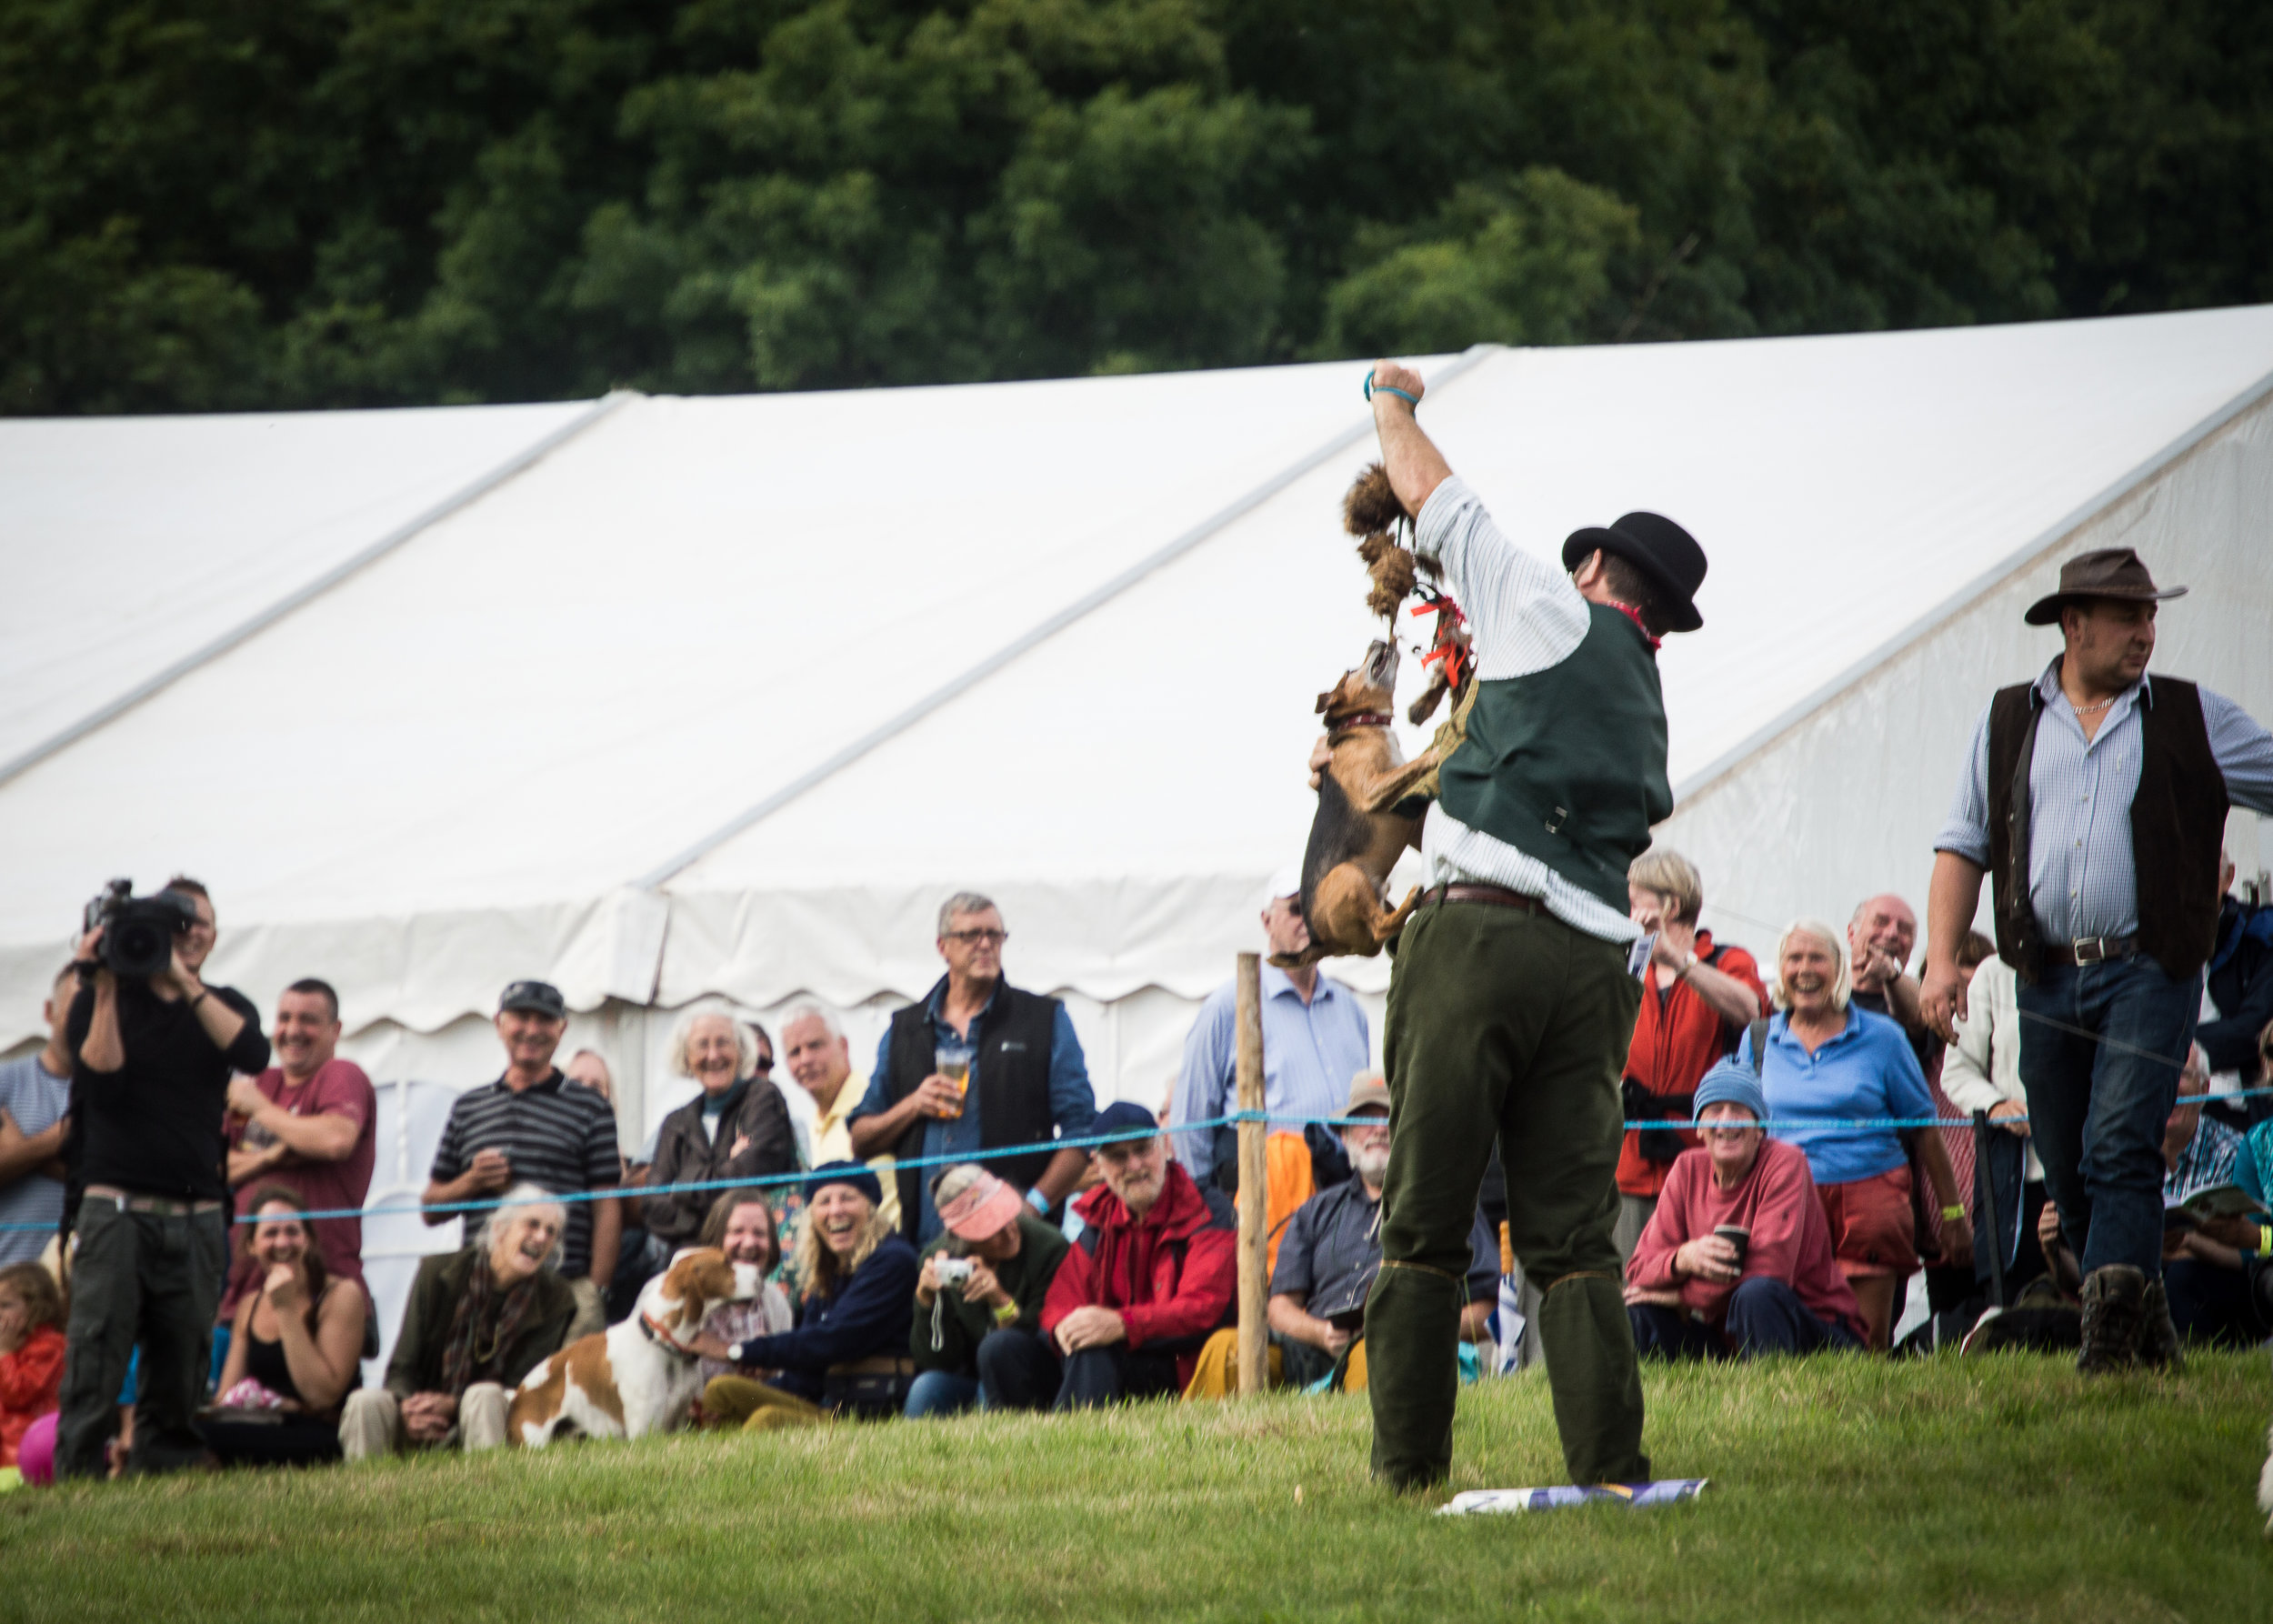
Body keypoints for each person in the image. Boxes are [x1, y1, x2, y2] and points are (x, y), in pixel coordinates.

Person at [1341, 359, 1707, 1489]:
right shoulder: (1646, 701)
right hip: (1594, 966)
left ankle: (1408, 1473)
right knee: (1573, 1242)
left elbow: (1433, 494)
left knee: (1423, 1217)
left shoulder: (1547, 608)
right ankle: (1610, 1466)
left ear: (1596, 569)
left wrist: (1388, 401)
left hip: (1479, 943)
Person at [1920, 546, 2273, 1372]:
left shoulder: (2194, 715)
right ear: (2073, 625)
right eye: (2129, 616)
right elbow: (1962, 841)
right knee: (2067, 1157)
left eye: (2152, 615)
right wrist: (1941, 961)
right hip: (2041, 972)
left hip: (2153, 968)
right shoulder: (2008, 719)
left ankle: (2108, 1352)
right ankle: (2144, 1319)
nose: (2148, 631)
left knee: (2120, 1143)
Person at [56, 876, 270, 1479]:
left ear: (213, 934)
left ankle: (164, 1475)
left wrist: (183, 983)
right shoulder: (104, 998)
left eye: (197, 922)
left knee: (183, 1361)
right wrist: (100, 987)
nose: (189, 932)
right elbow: (100, 1083)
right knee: (97, 1354)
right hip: (116, 1209)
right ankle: (77, 1480)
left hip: (197, 1211)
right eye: (177, 923)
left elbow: (255, 1055)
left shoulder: (223, 1004)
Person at [1188, 1073, 1496, 1398]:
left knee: (1374, 1353)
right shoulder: (1315, 1211)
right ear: (1345, 1134)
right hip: (1313, 1351)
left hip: (1401, 1347)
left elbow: (1487, 1310)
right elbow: (1279, 1307)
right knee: (1226, 1349)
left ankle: (1363, 1447)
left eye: (1389, 1118)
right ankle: (1217, 1446)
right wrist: (1321, 1333)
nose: (1378, 1130)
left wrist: (1410, 1329)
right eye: (1366, 1119)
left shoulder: (1450, 1207)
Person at [1744, 920, 1971, 1350]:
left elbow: (1925, 1131)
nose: (1805, 969)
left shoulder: (1882, 1037)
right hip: (1785, 1203)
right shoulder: (1760, 1039)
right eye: (1794, 958)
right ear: (1780, 968)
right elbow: (1739, 1126)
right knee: (1783, 1334)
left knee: (1865, 1348)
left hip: (1870, 1203)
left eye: (1817, 958)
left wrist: (1953, 1216)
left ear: (1840, 970)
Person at [849, 894, 1097, 1244]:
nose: (985, 945)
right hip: (925, 1247)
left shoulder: (1043, 1019)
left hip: (1013, 1246)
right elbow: (861, 1139)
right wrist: (913, 1106)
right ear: (942, 946)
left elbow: (1082, 1131)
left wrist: (1031, 1209)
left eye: (995, 936)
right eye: (971, 935)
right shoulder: (905, 1029)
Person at [1626, 1059, 1866, 1358]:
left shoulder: (1787, 1162)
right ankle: (1652, 1400)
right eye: (1715, 1110)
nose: (1727, 1121)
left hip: (1817, 1330)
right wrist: (1683, 1259)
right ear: (1699, 1127)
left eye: (1740, 1110)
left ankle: (1776, 1391)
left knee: (1757, 1294)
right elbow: (1638, 1269)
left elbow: (1771, 1270)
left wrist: (1681, 1297)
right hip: (1730, 1338)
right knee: (1639, 1311)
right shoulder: (1687, 1168)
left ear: (1759, 1129)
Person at [422, 980, 621, 1341]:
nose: (532, 1029)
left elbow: (607, 1203)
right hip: (484, 1289)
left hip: (563, 1288)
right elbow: (430, 1210)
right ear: (499, 1024)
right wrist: (472, 1181)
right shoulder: (469, 1107)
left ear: (562, 1030)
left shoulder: (591, 1107)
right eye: (521, 1017)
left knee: (559, 1395)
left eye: (544, 1020)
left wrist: (596, 1288)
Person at [1169, 872, 1371, 1190]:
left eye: (1315, 909)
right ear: (1266, 921)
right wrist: (1208, 1201)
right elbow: (1189, 1122)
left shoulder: (1349, 1008)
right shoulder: (1228, 1005)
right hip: (1265, 1197)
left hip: (1346, 1194)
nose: (1306, 919)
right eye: (1295, 909)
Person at [339, 1188, 576, 1459]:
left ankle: (488, 1488)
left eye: (551, 1231)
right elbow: (402, 1367)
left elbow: (522, 1387)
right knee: (366, 1401)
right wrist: (410, 1408)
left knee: (484, 1395)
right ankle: (365, 1492)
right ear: (499, 1229)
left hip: (492, 1419)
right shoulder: (437, 1272)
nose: (541, 1237)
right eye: (532, 1224)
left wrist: (453, 1406)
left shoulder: (555, 1298)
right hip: (419, 1415)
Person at [1616, 851, 1767, 1259]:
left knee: (1699, 1288)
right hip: (1627, 1166)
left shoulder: (1727, 960)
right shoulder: (1626, 965)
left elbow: (1752, 1011)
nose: (1626, 910)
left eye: (1635, 900)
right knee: (1632, 1291)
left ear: (1672, 905)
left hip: (1707, 1164)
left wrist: (1679, 961)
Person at [1042, 1104, 1236, 1408]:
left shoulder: (1207, 1208)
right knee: (1004, 1349)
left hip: (1182, 1365)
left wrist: (1122, 1324)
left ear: (1164, 1147)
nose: (1134, 1165)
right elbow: (1060, 1301)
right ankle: (1013, 1447)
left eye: (1143, 1150)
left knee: (1093, 1351)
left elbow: (1203, 1308)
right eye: (1119, 1157)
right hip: (1117, 1358)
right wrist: (1063, 1328)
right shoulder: (1098, 1218)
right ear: (1098, 1165)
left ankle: (1067, 1448)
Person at [699, 1163, 920, 1425]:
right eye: (824, 1201)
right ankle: (715, 1457)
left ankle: (741, 1460)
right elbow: (806, 1378)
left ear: (872, 1209)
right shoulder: (827, 1274)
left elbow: (835, 1339)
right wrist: (761, 1387)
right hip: (830, 1406)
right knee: (723, 1392)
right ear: (812, 1215)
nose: (835, 1210)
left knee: (768, 1420)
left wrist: (737, 1351)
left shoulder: (893, 1260)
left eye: (848, 1198)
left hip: (874, 1414)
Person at [220, 978, 375, 1319]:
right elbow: (212, 1168)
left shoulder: (340, 1074)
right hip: (242, 1296)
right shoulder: (260, 1081)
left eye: (308, 1020)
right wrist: (272, 1156)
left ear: (336, 1030)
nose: (293, 1030)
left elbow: (335, 1140)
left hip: (322, 1292)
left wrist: (260, 1109)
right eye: (284, 1018)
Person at [202, 1188, 365, 1467]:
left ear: (309, 1240)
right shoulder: (249, 1305)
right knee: (186, 1437)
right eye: (270, 1233)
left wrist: (286, 1309)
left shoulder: (341, 1294)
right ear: (251, 1246)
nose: (282, 1242)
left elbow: (322, 1396)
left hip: (318, 1428)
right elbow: (225, 1400)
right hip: (260, 1424)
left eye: (292, 1231)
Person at [906, 1164, 1070, 1417]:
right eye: (992, 1229)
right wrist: (927, 1303)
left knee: (994, 1360)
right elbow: (936, 1361)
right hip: (972, 1377)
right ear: (961, 1238)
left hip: (1036, 1378)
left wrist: (1001, 1302)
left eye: (1008, 1217)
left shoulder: (1048, 1248)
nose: (1008, 1232)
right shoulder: (940, 1260)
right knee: (926, 1387)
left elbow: (1045, 1343)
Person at [1942, 931, 2050, 1296]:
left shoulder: (2106, 964)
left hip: (2087, 1161)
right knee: (2012, 1296)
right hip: (2015, 1169)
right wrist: (1995, 1105)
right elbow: (1957, 1071)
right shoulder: (1994, 972)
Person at [639, 1006, 796, 1253]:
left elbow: (749, 1177)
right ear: (686, 1057)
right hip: (693, 1262)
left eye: (723, 1043)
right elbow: (651, 1204)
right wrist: (727, 1166)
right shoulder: (676, 1122)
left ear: (741, 1051)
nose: (713, 1055)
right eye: (702, 1045)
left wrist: (681, 1186)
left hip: (754, 1255)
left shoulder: (762, 1098)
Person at [779, 1004, 899, 1230]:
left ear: (843, 1046)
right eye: (795, 1052)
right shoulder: (816, 1121)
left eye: (815, 1046)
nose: (805, 1059)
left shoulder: (871, 1104)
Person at [0, 964, 75, 1266]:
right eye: (77, 1008)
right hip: (8, 1280)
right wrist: (64, 1134)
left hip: (77, 1286)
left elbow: (114, 1179)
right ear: (49, 1011)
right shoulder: (7, 1080)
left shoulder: (114, 1094)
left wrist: (21, 1152)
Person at [691, 1188, 794, 1388]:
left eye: (759, 1233)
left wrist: (771, 1365)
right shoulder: (692, 1296)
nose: (749, 1243)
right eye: (737, 1231)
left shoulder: (775, 1300)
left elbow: (785, 1376)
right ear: (716, 1238)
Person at [2202, 849, 2273, 1122]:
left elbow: (2259, 1027)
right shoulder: (2150, 948)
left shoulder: (2259, 933)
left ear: (2228, 877)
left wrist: (2186, 1046)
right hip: (2171, 1113)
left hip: (2244, 1112)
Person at [0, 1262, 65, 1468]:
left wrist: (5, 1353)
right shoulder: (12, 1345)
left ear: (36, 1307)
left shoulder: (49, 1347)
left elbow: (18, 1393)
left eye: (5, 1305)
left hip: (25, 1452)